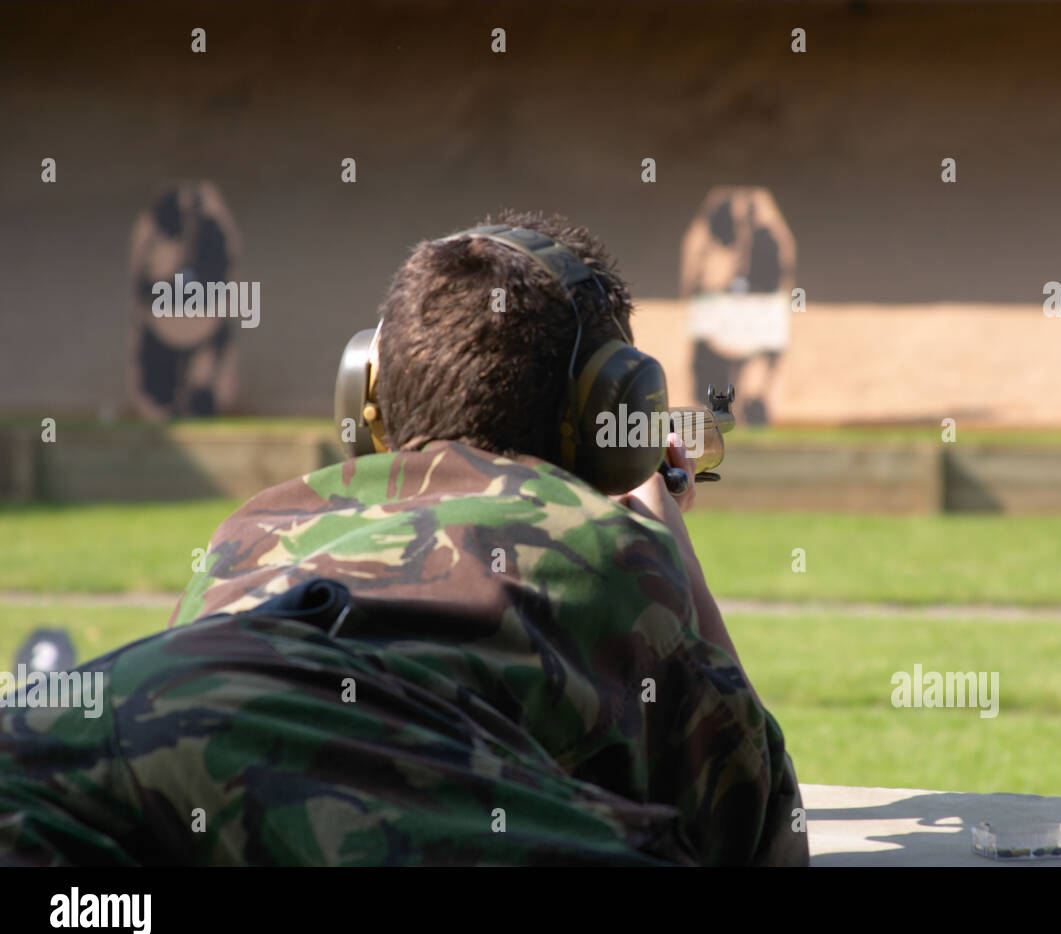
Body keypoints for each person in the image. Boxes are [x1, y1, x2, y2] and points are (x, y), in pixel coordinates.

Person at [0, 210, 808, 866]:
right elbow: (760, 823)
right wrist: (659, 531)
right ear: (612, 414)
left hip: (66, 760)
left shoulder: (250, 526)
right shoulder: (607, 552)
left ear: (370, 398)